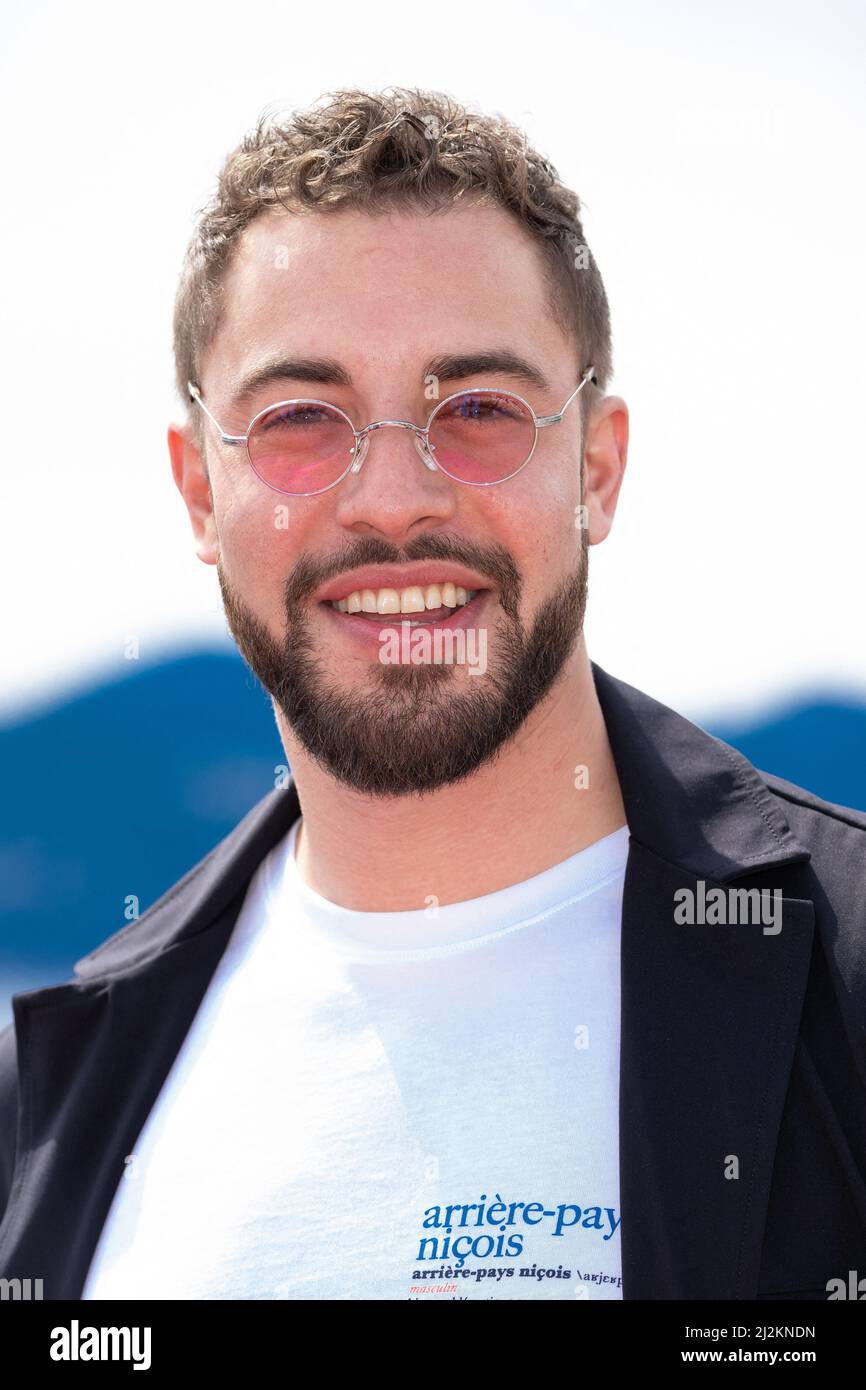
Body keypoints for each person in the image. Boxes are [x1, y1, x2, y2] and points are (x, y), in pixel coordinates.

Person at [1, 86, 864, 1302]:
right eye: (302, 417)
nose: (392, 497)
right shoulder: (47, 1105)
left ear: (597, 469)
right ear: (200, 491)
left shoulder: (843, 982)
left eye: (476, 411)